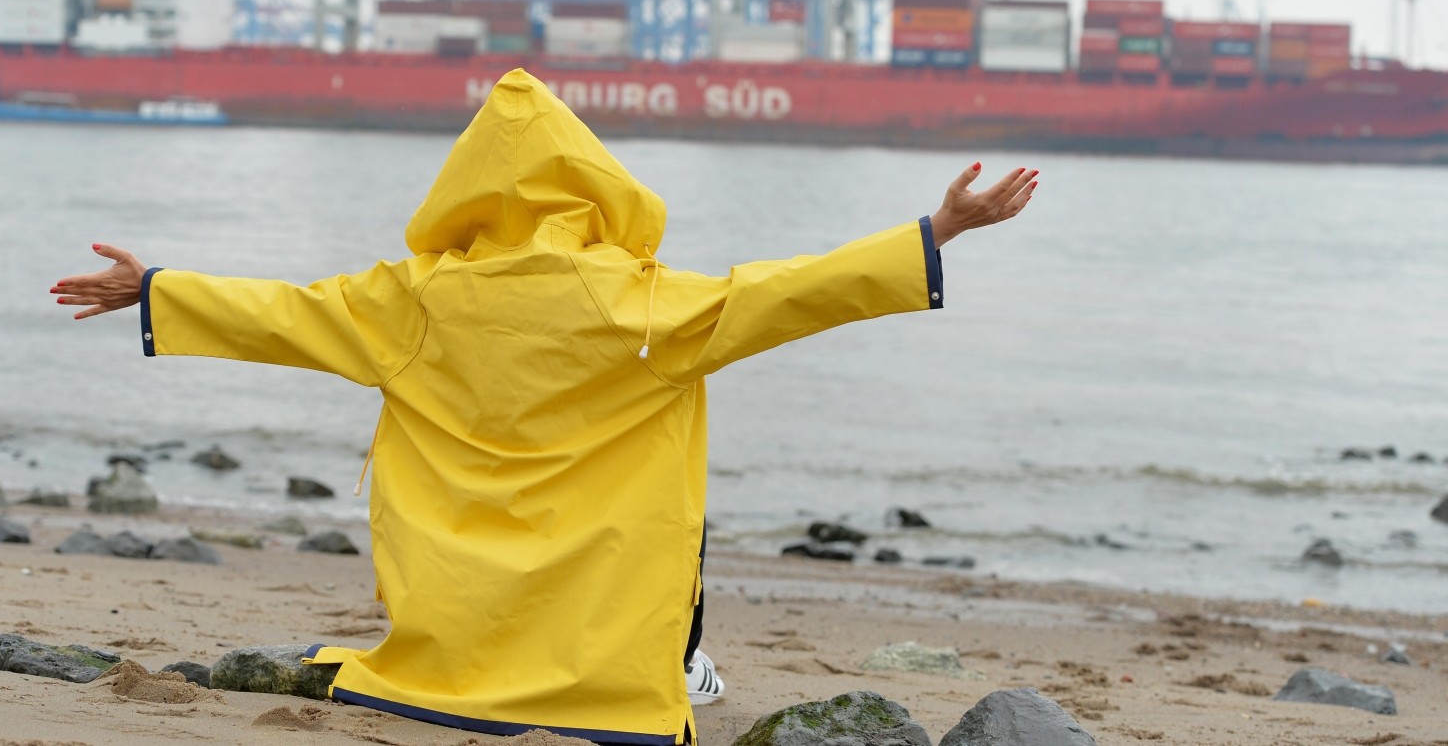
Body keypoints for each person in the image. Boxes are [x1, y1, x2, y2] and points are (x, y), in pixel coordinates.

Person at [51, 68, 1036, 745]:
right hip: (600, 633)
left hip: (448, 627)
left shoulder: (409, 300)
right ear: (590, 179)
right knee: (653, 526)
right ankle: (660, 675)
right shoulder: (640, 302)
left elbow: (279, 313)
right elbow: (785, 292)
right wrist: (938, 228)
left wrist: (158, 287)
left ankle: (463, 671)